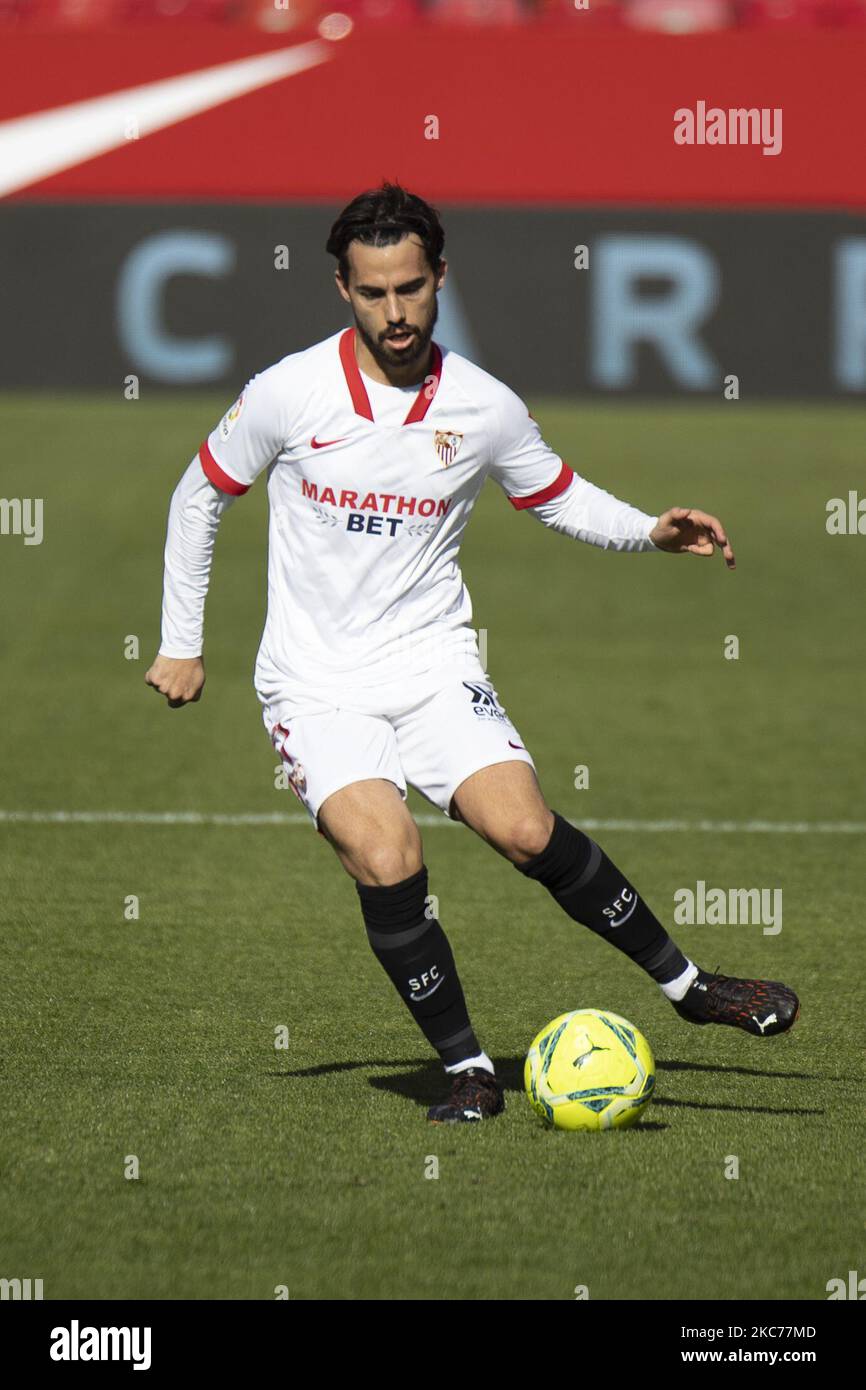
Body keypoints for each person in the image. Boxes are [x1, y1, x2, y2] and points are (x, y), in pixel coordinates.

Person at [146, 183, 799, 1123]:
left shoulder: (484, 407)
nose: (397, 311)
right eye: (374, 293)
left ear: (440, 276)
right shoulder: (289, 393)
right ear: (341, 288)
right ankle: (467, 1069)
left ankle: (691, 988)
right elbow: (199, 494)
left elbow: (558, 495)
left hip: (431, 664)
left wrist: (649, 529)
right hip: (317, 684)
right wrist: (181, 642)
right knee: (385, 851)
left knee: (526, 831)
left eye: (412, 287)